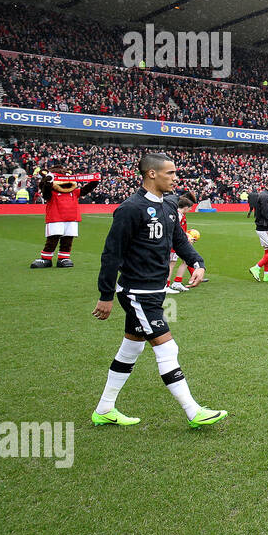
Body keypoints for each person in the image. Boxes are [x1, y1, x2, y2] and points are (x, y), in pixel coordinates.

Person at [91, 152, 226, 429]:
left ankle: (104, 409)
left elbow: (180, 241)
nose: (175, 178)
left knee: (130, 350)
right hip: (137, 293)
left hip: (154, 290)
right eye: (170, 173)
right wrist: (105, 295)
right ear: (152, 174)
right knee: (168, 348)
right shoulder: (131, 208)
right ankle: (193, 411)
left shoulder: (168, 206)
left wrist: (197, 262)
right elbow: (111, 254)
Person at [30, 168, 99, 268]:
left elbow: (85, 190)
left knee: (68, 239)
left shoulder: (74, 192)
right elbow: (46, 193)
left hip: (71, 219)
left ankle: (64, 258)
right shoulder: (52, 193)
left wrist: (94, 181)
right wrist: (48, 183)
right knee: (53, 239)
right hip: (55, 218)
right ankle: (46, 258)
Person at [165, 192, 197, 293]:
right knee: (171, 264)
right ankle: (166, 285)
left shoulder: (181, 214)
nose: (191, 209)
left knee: (186, 261)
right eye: (190, 207)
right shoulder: (177, 215)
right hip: (175, 243)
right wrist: (186, 237)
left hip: (180, 242)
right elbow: (174, 230)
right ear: (186, 207)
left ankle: (177, 282)